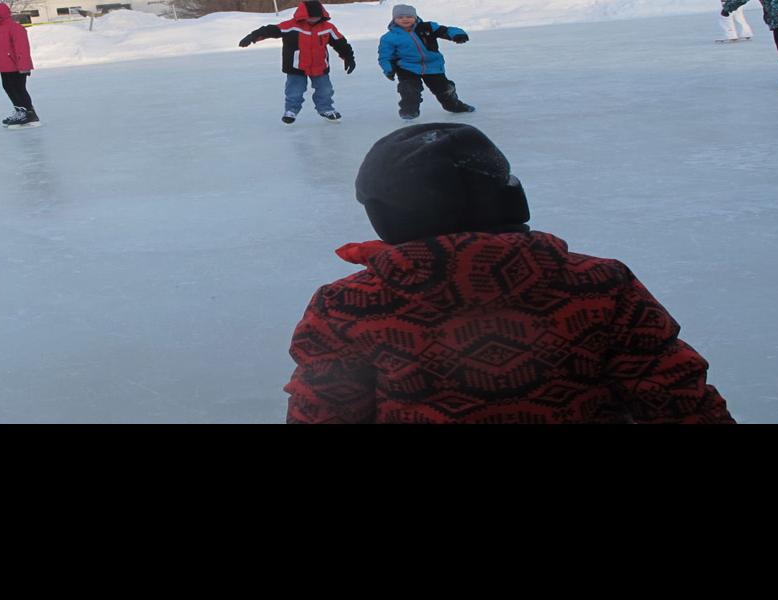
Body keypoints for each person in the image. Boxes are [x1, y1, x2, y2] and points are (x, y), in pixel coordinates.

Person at [284, 123, 737, 424]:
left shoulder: (347, 305)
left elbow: (324, 412)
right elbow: (676, 397)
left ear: (382, 217)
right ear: (512, 198)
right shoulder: (600, 283)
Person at [239, 1, 356, 124]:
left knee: (325, 89)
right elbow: (270, 30)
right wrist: (252, 37)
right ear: (303, 15)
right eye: (311, 16)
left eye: (317, 16)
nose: (314, 19)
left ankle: (326, 109)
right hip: (296, 67)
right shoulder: (291, 26)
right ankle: (291, 110)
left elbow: (341, 43)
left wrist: (348, 57)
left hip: (319, 66)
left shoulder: (327, 28)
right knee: (294, 90)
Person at [376, 4, 474, 121]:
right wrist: (388, 69)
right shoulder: (389, 37)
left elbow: (446, 30)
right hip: (407, 68)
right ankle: (409, 113)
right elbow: (385, 56)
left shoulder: (427, 27)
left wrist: (457, 34)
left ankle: (454, 106)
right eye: (400, 17)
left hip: (433, 66)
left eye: (409, 16)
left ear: (415, 17)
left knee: (444, 89)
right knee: (409, 90)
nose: (405, 19)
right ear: (394, 19)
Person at [0, 3, 40, 127]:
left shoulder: (14, 28)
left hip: (16, 66)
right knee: (8, 88)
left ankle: (29, 114)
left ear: (0, 14)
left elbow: (22, 49)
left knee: (18, 89)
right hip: (3, 66)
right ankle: (20, 112)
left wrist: (24, 66)